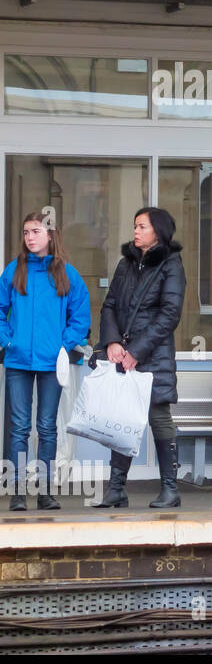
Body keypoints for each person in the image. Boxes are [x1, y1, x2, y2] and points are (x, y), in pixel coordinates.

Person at [92, 207, 186, 509]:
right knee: (122, 421)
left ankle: (170, 489)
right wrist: (111, 343)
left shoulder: (171, 264)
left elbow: (170, 313)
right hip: (123, 355)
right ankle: (117, 489)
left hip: (153, 356)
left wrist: (137, 351)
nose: (135, 231)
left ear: (157, 231)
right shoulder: (126, 264)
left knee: (158, 418)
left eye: (141, 226)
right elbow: (110, 306)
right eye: (135, 225)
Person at [0, 214, 91, 510]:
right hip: (18, 362)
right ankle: (16, 492)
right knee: (18, 427)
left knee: (48, 427)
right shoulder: (13, 271)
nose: (30, 237)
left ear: (50, 235)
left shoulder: (67, 274)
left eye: (35, 231)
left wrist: (63, 346)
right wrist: (8, 340)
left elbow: (80, 317)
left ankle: (44, 491)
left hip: (54, 363)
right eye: (26, 232)